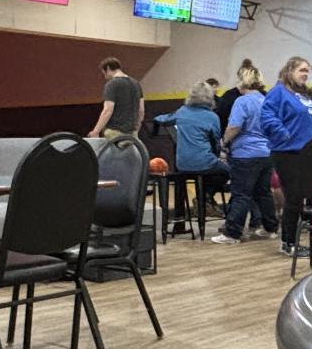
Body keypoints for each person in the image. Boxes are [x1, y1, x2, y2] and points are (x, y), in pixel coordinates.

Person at [262, 56, 312, 255]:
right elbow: (267, 116)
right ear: (290, 71)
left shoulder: (307, 95)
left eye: (307, 71)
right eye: (301, 70)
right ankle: (288, 243)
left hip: (311, 154)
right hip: (288, 152)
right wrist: (283, 134)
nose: (305, 74)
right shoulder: (279, 92)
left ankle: (303, 238)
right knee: (294, 198)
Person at [211, 61, 278, 244]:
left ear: (242, 81)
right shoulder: (267, 101)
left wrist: (224, 141)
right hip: (266, 153)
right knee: (263, 192)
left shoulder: (242, 101)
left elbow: (234, 126)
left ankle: (232, 233)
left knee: (241, 193)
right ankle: (270, 228)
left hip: (245, 154)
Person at [156, 81, 229, 228]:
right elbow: (216, 143)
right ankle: (206, 196)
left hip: (182, 164)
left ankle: (203, 199)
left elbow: (161, 119)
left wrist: (158, 123)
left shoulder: (182, 111)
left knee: (210, 170)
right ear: (210, 98)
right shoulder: (212, 116)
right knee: (230, 172)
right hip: (205, 162)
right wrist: (217, 156)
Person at [89, 56, 142, 140]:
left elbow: (107, 110)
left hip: (115, 132)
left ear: (108, 68)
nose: (105, 77)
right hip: (132, 132)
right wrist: (136, 129)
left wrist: (96, 131)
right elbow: (141, 110)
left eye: (104, 73)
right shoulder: (136, 84)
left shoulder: (112, 84)